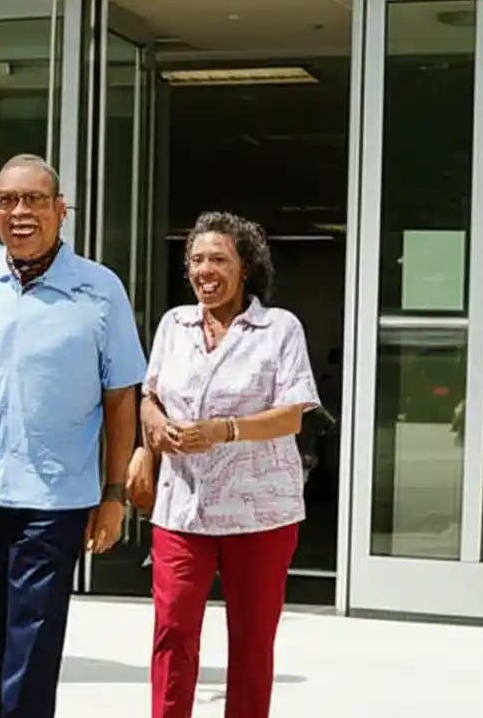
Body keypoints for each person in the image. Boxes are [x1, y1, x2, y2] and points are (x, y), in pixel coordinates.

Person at [0, 154, 146, 717]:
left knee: (33, 648)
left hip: (57, 500)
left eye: (35, 200)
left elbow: (121, 401)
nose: (21, 212)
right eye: (7, 200)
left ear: (61, 211)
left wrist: (114, 494)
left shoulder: (99, 290)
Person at [139, 211, 319, 718]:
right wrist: (153, 428)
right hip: (182, 509)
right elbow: (149, 395)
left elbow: (293, 414)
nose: (205, 270)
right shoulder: (174, 325)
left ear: (245, 269)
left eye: (219, 259)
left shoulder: (278, 328)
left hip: (260, 514)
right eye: (196, 260)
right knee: (172, 630)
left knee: (252, 641)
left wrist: (225, 430)